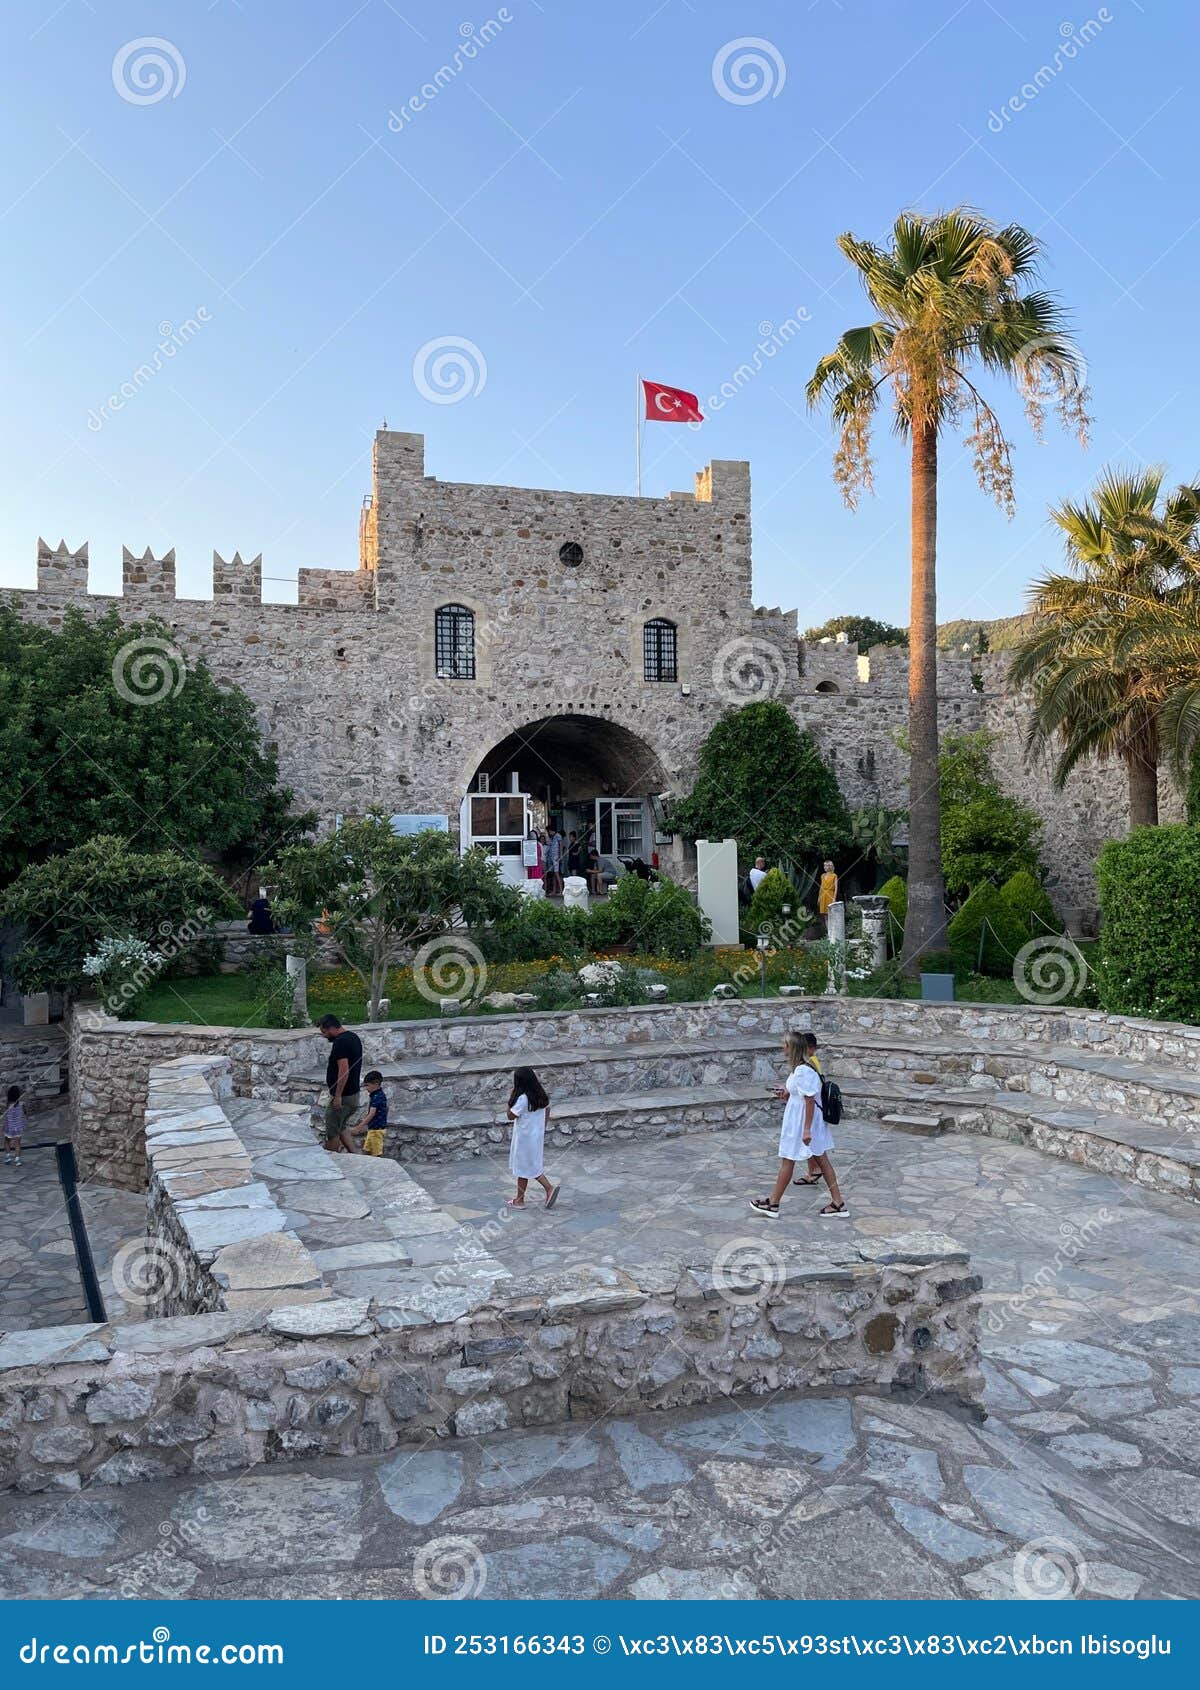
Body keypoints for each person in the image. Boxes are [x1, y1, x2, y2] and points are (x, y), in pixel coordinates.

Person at [750, 1031, 847, 1219]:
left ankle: (774, 1203)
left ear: (792, 1047)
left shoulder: (803, 1070)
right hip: (799, 1120)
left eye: (785, 1044)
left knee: (792, 1159)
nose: (782, 1047)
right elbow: (801, 1097)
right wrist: (786, 1093)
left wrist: (806, 1129)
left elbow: (810, 1100)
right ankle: (838, 1203)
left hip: (804, 1123)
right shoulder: (799, 1069)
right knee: (817, 1161)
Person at [505, 1066, 560, 1209]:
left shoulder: (522, 1099)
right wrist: (543, 1126)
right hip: (536, 1137)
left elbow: (510, 1116)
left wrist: (512, 1098)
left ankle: (547, 1188)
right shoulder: (540, 1095)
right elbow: (547, 1109)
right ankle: (519, 1199)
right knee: (527, 1167)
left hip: (524, 1139)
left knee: (525, 1167)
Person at [317, 1014, 363, 1153]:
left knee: (332, 1131)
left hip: (344, 1096)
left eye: (324, 1032)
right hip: (353, 1094)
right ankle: (354, 1154)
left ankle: (330, 1163)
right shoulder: (353, 1037)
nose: (324, 1036)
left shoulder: (340, 1043)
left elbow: (344, 1071)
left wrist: (338, 1096)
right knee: (341, 1126)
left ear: (331, 1028)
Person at [793, 1032, 824, 1189]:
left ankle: (815, 1171)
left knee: (810, 1143)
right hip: (812, 1108)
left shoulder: (809, 1063)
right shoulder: (812, 1061)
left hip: (811, 1109)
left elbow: (810, 1094)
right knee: (811, 1144)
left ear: (811, 1048)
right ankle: (814, 1171)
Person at [352, 1069, 388, 1156]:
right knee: (367, 1149)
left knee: (376, 1154)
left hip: (376, 1131)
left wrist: (359, 1127)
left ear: (376, 1084)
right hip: (373, 1129)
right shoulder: (379, 1094)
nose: (366, 1088)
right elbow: (386, 1108)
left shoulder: (377, 1097)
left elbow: (372, 1113)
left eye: (367, 1085)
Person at [4, 1085, 26, 1168]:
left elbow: (8, 1116)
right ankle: (17, 1159)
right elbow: (24, 1113)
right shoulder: (22, 1104)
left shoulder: (8, 1105)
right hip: (18, 1128)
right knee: (18, 1144)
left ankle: (8, 1157)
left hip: (9, 1128)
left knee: (7, 1142)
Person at [543, 827, 563, 896]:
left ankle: (561, 890)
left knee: (557, 873)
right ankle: (554, 891)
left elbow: (560, 845)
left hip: (556, 857)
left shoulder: (558, 836)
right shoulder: (551, 837)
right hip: (551, 858)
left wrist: (560, 856)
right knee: (554, 874)